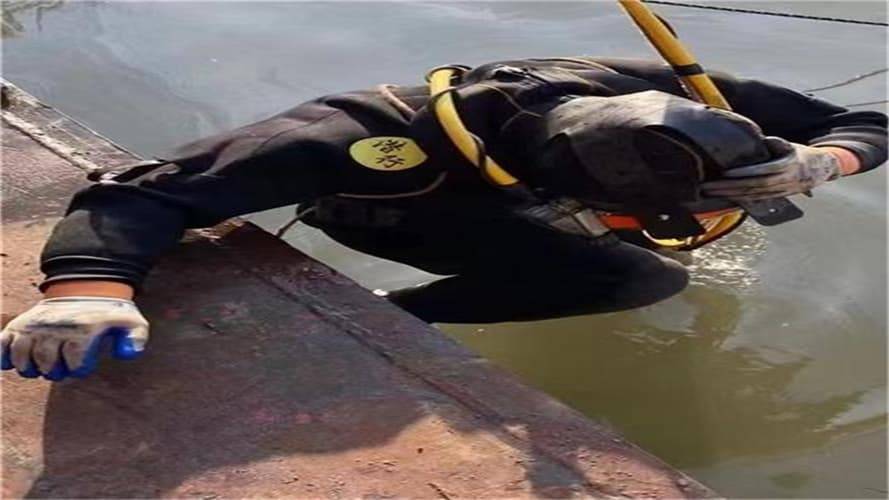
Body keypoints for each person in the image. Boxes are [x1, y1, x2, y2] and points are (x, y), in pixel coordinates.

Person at [2, 57, 886, 381]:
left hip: (523, 192)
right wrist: (86, 290)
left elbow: (871, 122)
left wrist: (823, 159)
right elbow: (143, 192)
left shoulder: (644, 87)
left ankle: (418, 312)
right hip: (395, 209)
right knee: (635, 272)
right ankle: (389, 316)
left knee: (648, 272)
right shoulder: (345, 138)